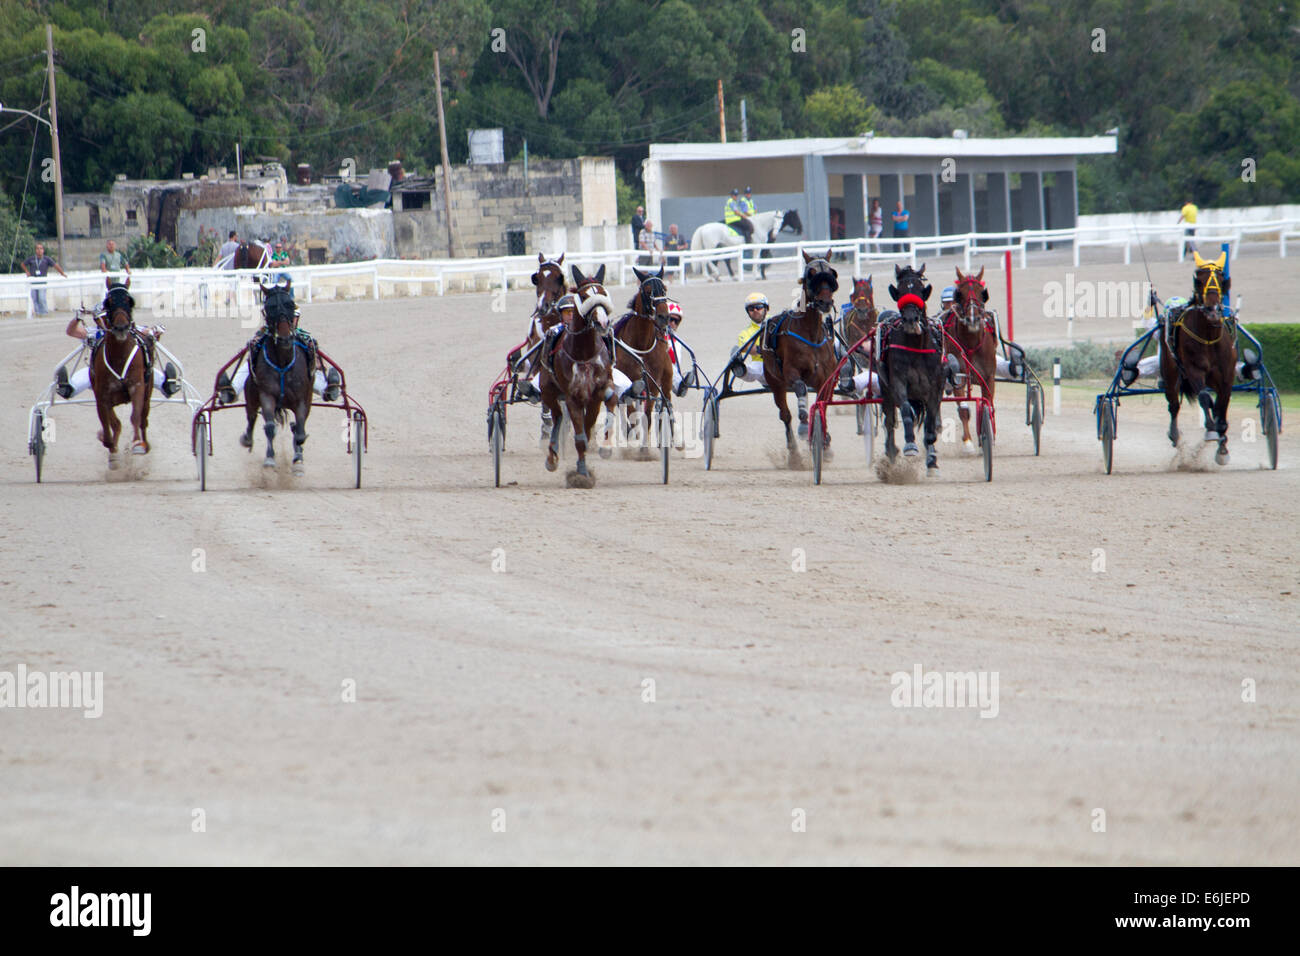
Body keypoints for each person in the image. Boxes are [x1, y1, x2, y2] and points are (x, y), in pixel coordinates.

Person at [217, 286, 341, 404]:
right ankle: (231, 390)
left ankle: (328, 390)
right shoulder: (265, 332)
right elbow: (253, 351)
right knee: (248, 367)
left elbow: (316, 359)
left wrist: (318, 363)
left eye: (293, 317)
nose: (289, 320)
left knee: (309, 372)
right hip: (268, 373)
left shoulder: (304, 336)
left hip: (297, 374)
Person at [53, 299, 179, 400]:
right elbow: (71, 331)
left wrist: (154, 332)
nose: (103, 322)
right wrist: (77, 319)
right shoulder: (93, 332)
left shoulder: (127, 329)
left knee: (145, 372)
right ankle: (68, 388)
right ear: (95, 320)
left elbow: (146, 332)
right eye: (100, 319)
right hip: (101, 373)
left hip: (129, 369)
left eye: (106, 318)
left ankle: (167, 385)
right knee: (87, 375)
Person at [725, 292, 770, 384]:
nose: (755, 310)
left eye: (759, 307)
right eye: (751, 308)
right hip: (763, 368)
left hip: (783, 363)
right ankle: (741, 370)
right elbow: (749, 348)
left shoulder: (778, 322)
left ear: (766, 308)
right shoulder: (744, 334)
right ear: (748, 312)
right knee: (755, 367)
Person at [22, 243, 66, 315]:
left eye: (41, 248)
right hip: (33, 282)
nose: (39, 250)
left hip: (42, 282)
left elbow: (55, 265)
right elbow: (23, 264)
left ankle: (44, 312)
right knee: (35, 298)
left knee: (41, 298)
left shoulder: (46, 259)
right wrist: (27, 271)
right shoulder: (32, 259)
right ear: (35, 250)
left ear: (43, 250)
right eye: (37, 248)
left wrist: (62, 273)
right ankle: (38, 313)